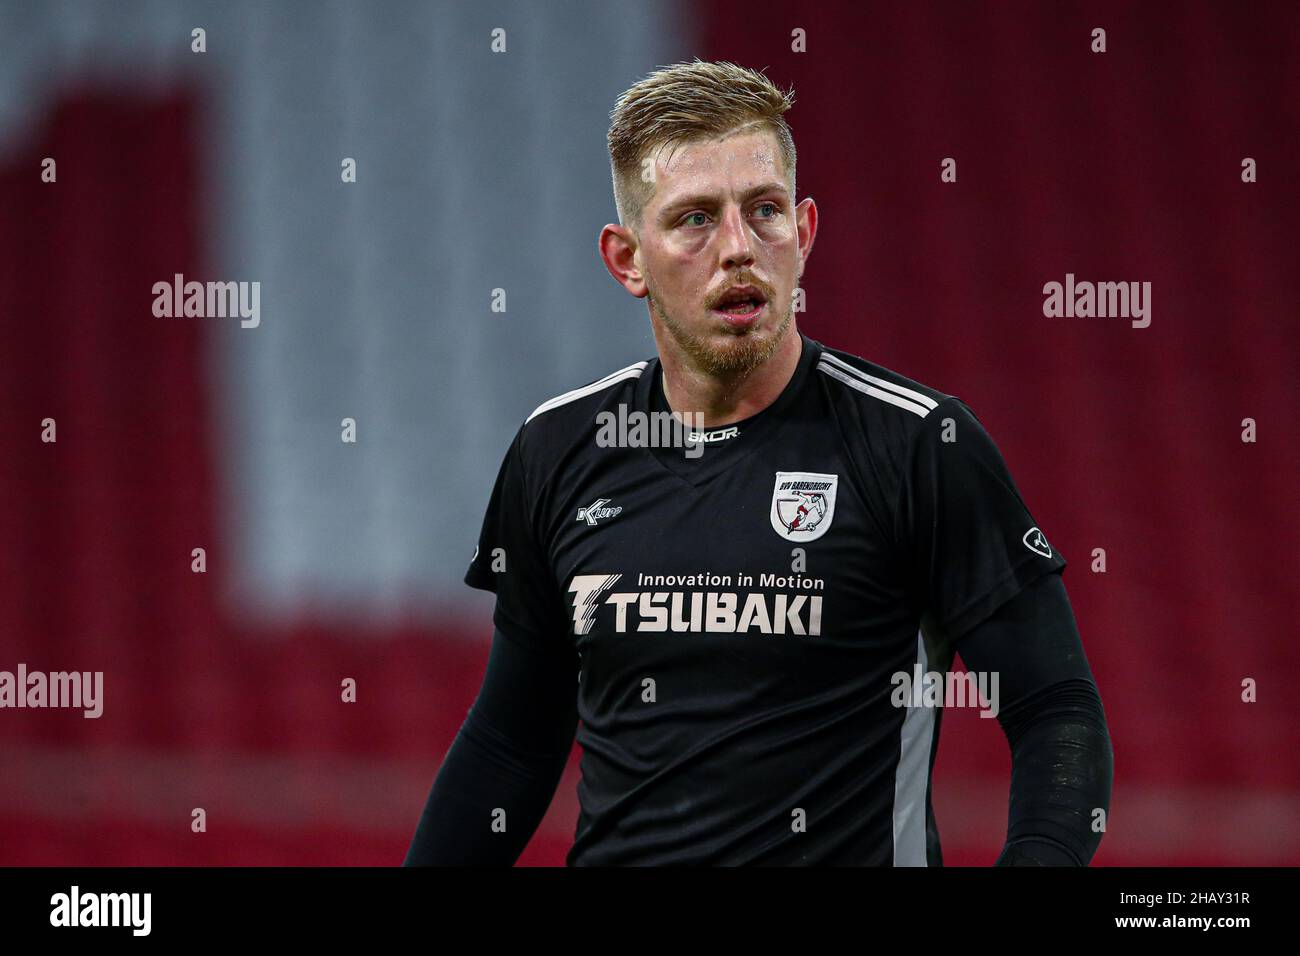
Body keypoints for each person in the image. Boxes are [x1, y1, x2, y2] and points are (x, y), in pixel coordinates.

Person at [405, 60, 1112, 866]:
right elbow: (512, 742)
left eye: (764, 211)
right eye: (696, 219)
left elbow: (1056, 711)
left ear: (804, 233)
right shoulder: (559, 448)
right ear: (627, 259)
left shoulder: (921, 445)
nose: (739, 248)